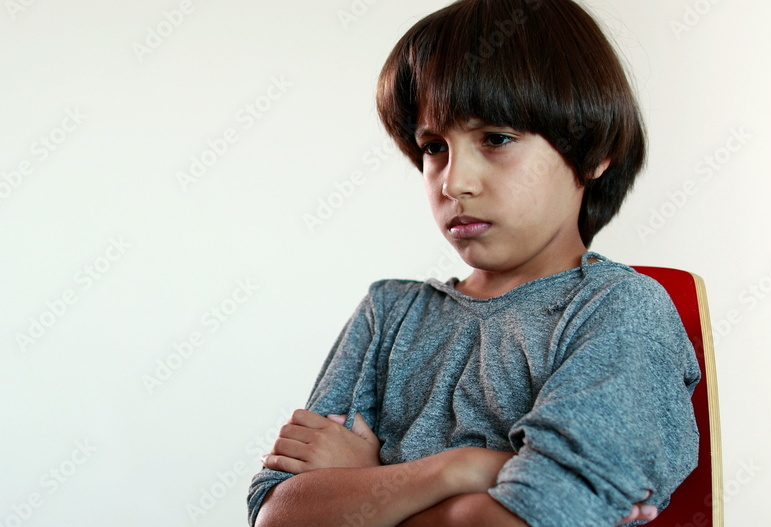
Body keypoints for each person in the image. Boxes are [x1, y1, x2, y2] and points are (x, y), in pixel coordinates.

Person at [247, 0, 701, 525]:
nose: (453, 181)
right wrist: (460, 470)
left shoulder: (618, 309)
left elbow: (532, 517)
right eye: (434, 147)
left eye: (496, 138)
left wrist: (371, 480)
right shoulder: (387, 313)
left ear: (595, 151)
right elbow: (277, 515)